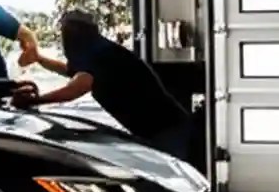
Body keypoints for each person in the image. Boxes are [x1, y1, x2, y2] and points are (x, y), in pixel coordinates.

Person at [13, 10, 192, 160]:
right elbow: (72, 72)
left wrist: (35, 101)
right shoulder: (95, 49)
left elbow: (79, 86)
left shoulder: (98, 53)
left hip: (167, 130)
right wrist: (39, 59)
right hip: (161, 128)